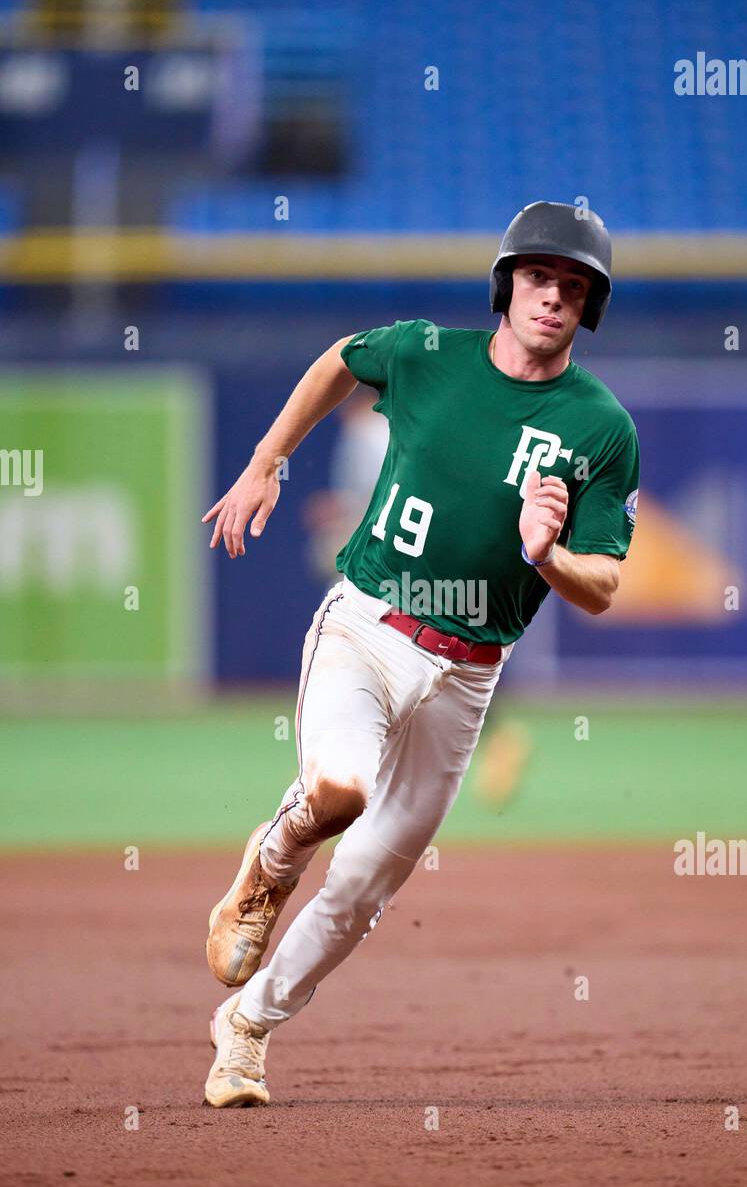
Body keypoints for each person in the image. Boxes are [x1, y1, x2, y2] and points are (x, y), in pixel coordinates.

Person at [200, 202, 640, 1107]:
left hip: (470, 672)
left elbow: (603, 587)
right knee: (341, 787)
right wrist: (267, 461)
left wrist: (549, 554)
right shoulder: (425, 354)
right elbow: (338, 359)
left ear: (588, 308)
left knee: (364, 886)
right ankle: (268, 869)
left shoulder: (602, 430)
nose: (553, 298)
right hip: (367, 624)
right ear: (506, 284)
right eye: (538, 277)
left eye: (573, 287)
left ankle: (245, 1029)